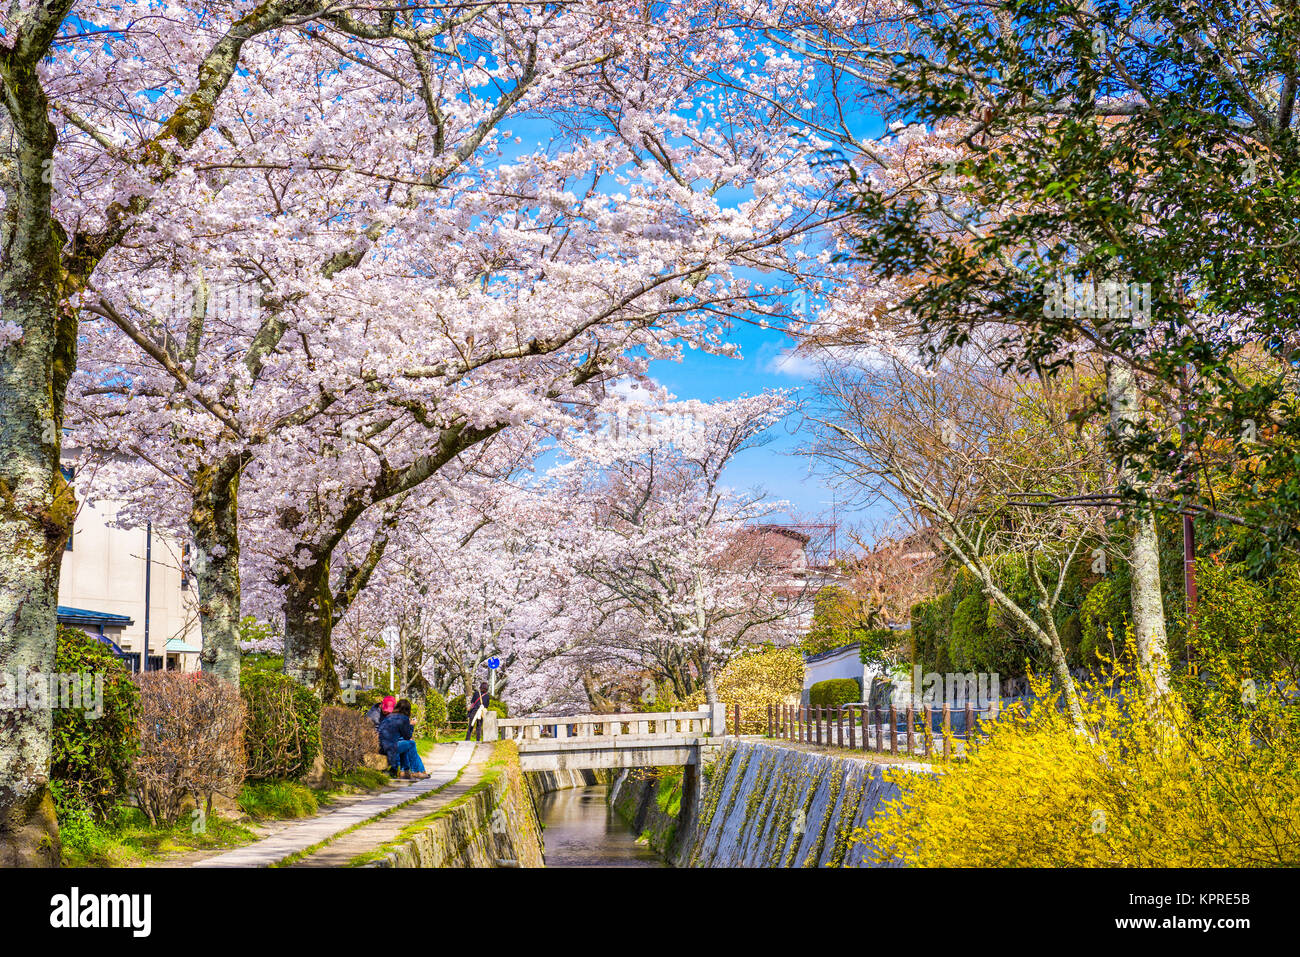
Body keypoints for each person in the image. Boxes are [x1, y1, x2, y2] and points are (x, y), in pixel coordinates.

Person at [379, 699, 428, 779]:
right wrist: (411, 725)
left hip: (381, 746)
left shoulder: (389, 716)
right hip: (390, 747)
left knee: (405, 744)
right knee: (411, 744)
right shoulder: (403, 718)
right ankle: (415, 771)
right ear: (408, 710)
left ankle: (404, 771)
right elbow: (407, 736)